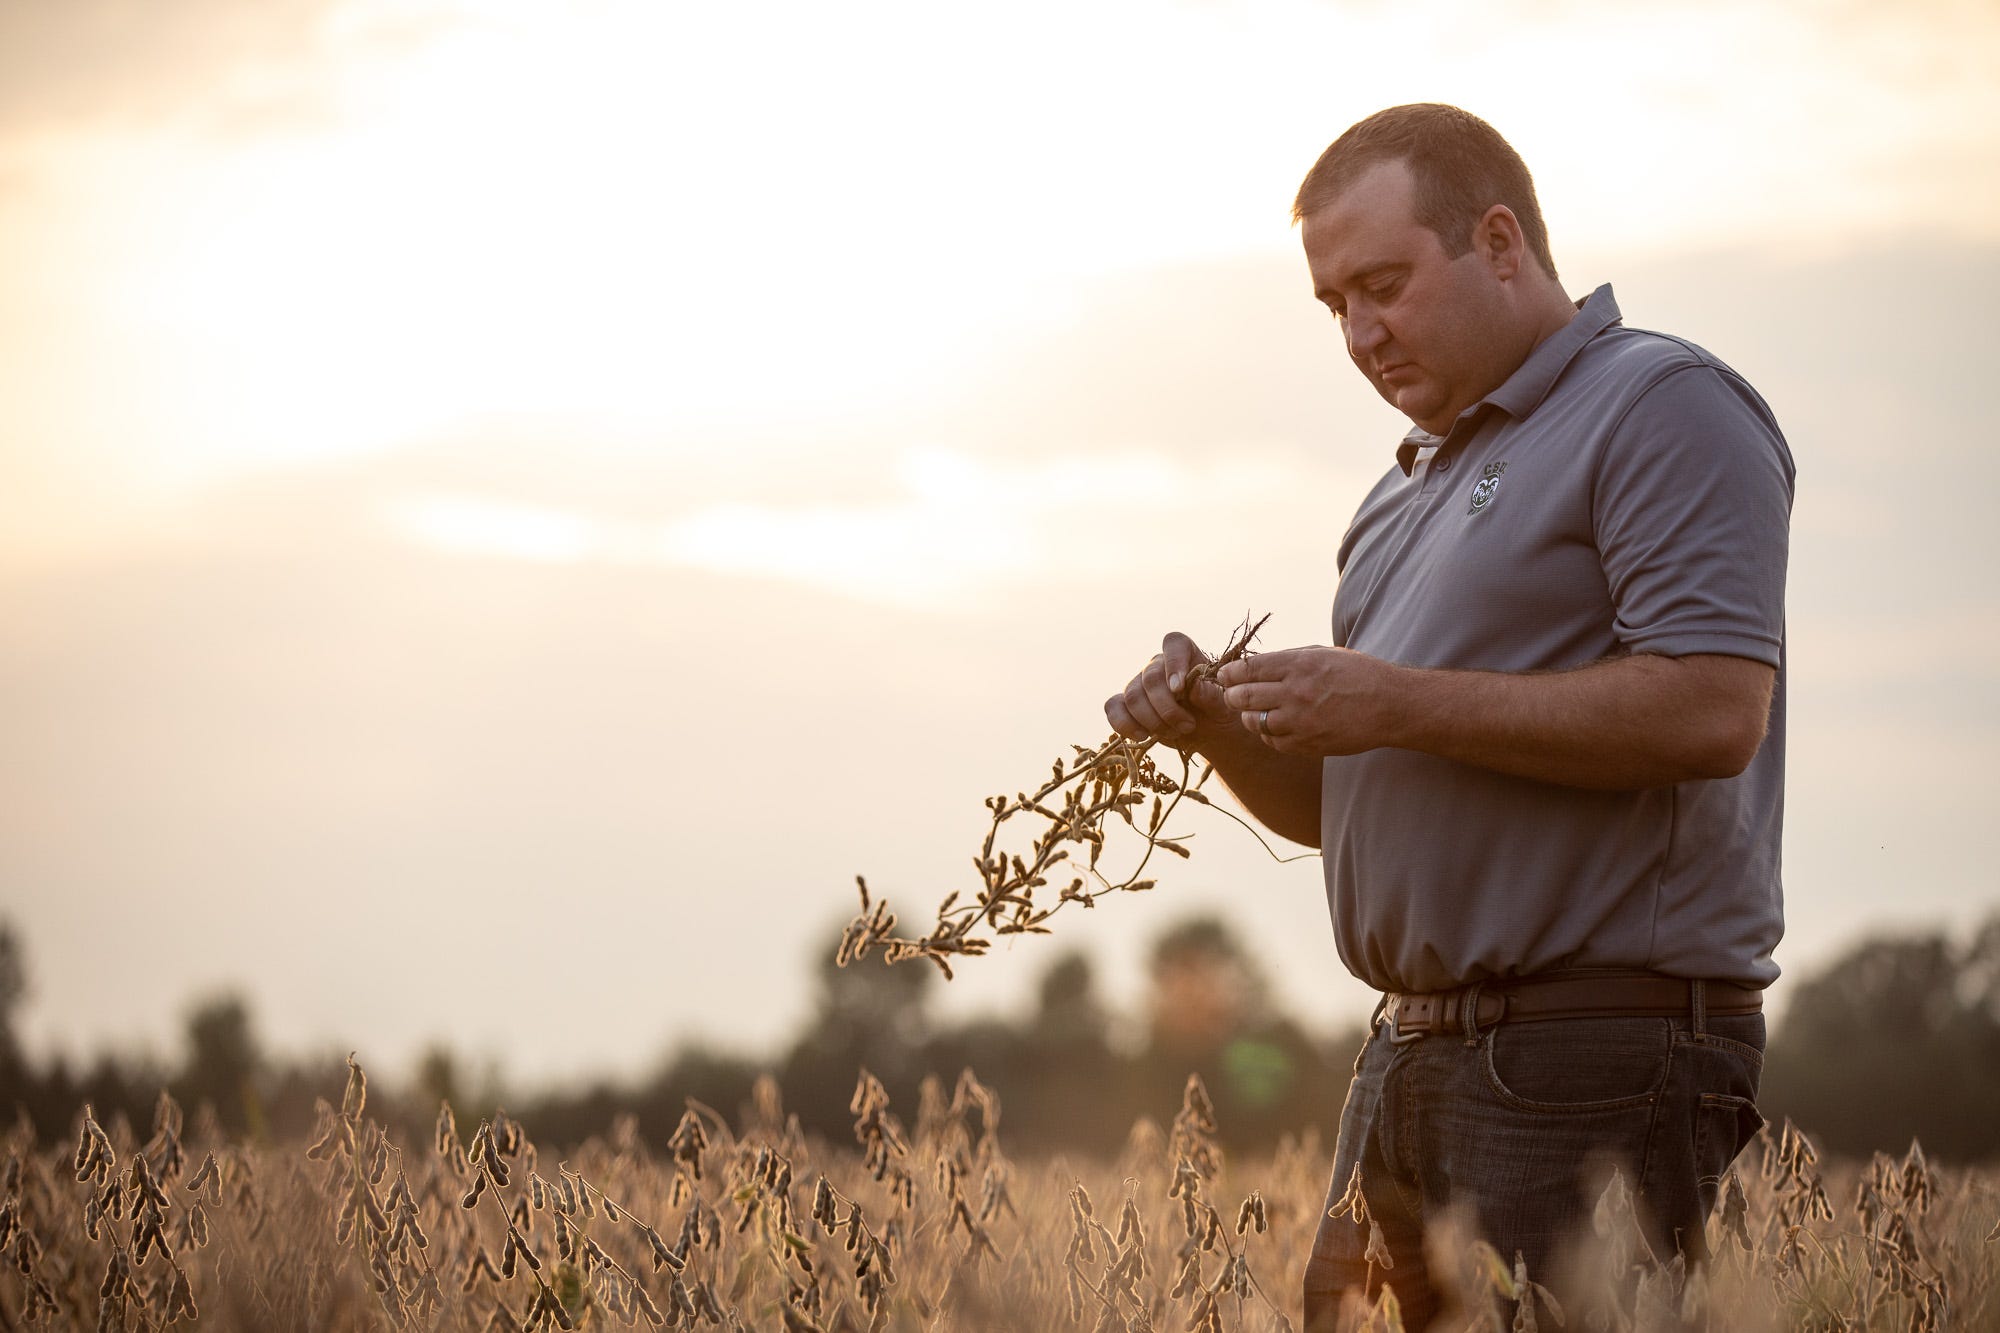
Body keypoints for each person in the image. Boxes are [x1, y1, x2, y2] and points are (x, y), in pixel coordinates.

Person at [1104, 104, 1792, 1329]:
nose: (1361, 334)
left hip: (1587, 1054)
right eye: (1333, 307)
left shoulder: (1659, 404)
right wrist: (1213, 728)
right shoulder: (1397, 493)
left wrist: (1391, 697)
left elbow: (1708, 709)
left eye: (1384, 284)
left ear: (1497, 242)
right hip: (1407, 1060)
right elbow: (1355, 809)